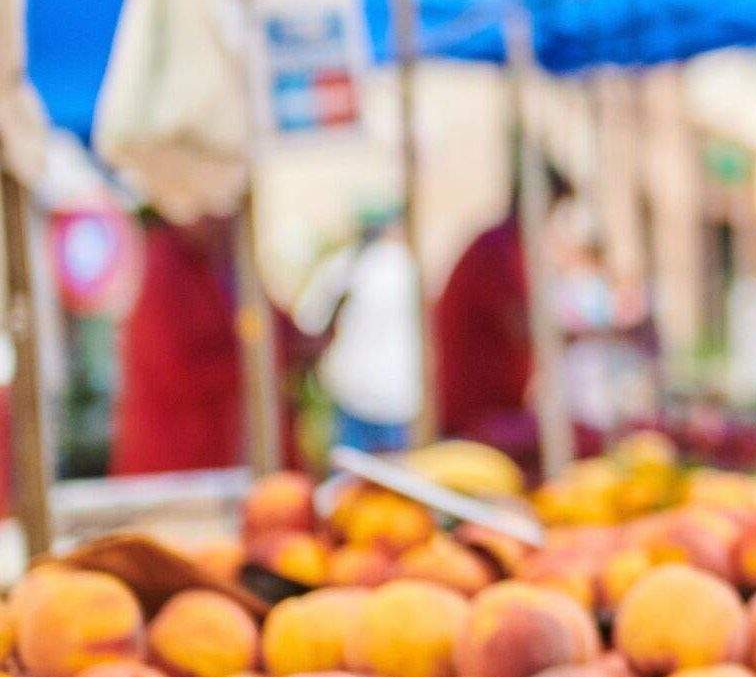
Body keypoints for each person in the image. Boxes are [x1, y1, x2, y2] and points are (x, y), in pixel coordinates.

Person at [111, 210, 310, 475]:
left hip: (224, 459)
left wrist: (296, 343)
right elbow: (181, 371)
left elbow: (267, 324)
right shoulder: (165, 267)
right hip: (178, 466)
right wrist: (278, 353)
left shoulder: (226, 265)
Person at [433, 171, 568, 440]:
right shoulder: (496, 249)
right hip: (478, 414)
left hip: (497, 408)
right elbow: (521, 326)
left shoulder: (510, 247)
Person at [308, 208, 421, 453]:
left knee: (350, 482)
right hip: (399, 395)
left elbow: (311, 323)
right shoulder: (408, 265)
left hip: (354, 391)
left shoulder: (343, 264)